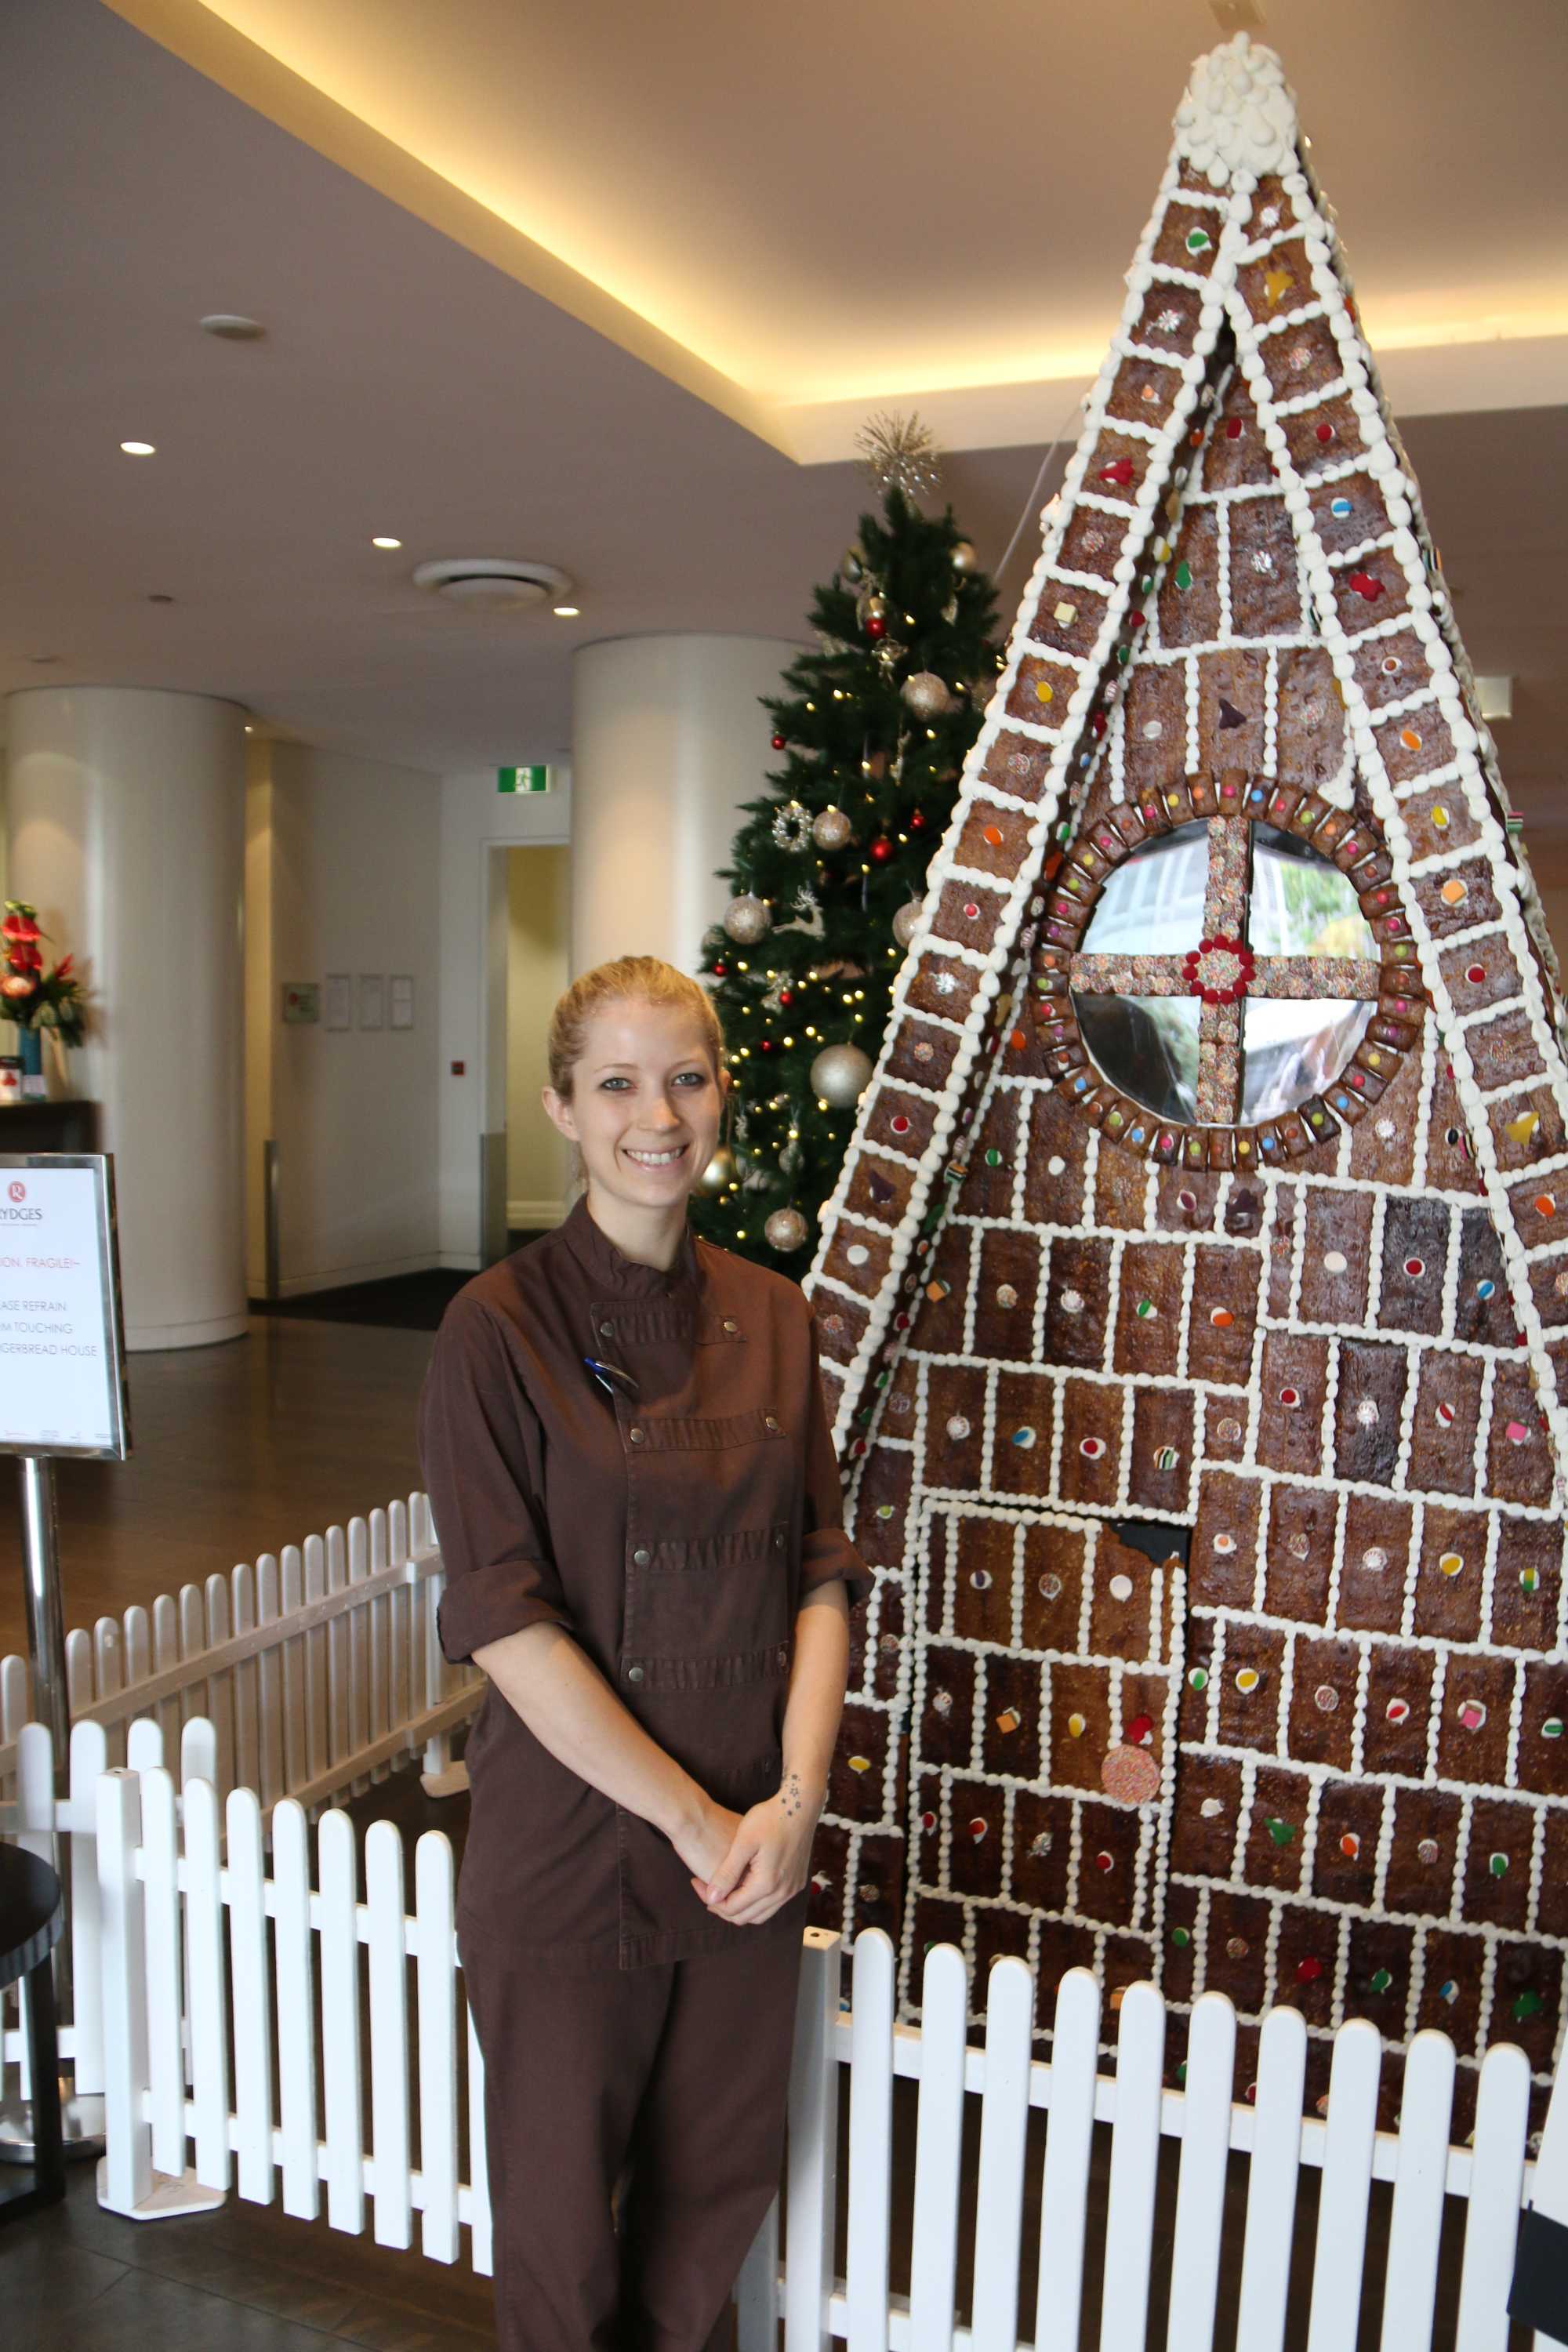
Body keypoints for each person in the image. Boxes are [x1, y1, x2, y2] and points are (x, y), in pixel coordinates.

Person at [416, 953, 872, 2352]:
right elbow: (507, 1621)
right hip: (572, 1852)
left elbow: (819, 1577)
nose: (656, 1114)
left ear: (723, 1090)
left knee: (712, 2209)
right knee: (562, 2251)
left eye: (686, 1076)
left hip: (749, 1854)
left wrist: (791, 1811)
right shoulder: (495, 1331)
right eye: (617, 1081)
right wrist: (700, 1819)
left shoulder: (777, 1314)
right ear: (563, 1106)